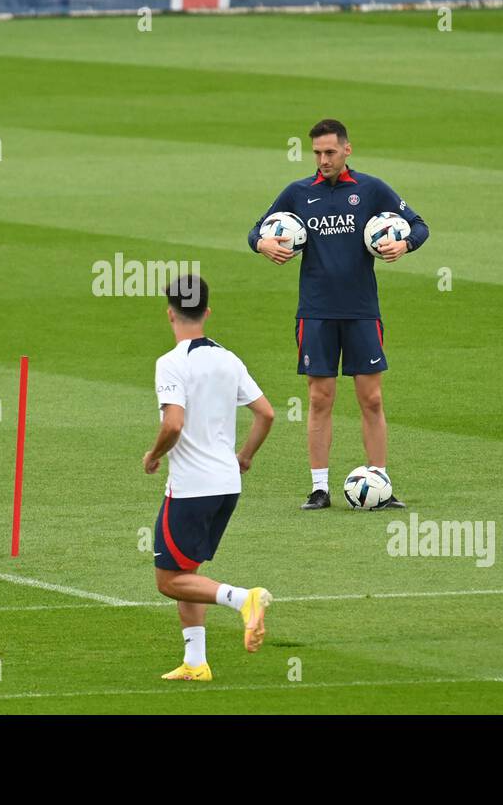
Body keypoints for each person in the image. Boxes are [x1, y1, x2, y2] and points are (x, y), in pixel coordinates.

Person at [248, 118, 428, 510]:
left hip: (362, 311)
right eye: (317, 153)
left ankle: (379, 483)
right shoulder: (297, 193)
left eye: (330, 152)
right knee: (320, 398)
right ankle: (319, 488)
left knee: (373, 399)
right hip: (315, 312)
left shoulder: (370, 189)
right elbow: (255, 231)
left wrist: (406, 245)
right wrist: (263, 243)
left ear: (347, 149)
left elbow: (419, 224)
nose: (323, 159)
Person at [143, 275, 276, 681]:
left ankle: (243, 600)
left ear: (169, 313)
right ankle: (195, 662)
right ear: (207, 311)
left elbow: (174, 424)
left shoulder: (171, 362)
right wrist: (245, 457)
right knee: (188, 572)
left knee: (168, 581)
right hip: (226, 484)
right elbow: (266, 413)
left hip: (191, 487)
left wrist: (153, 454)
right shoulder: (229, 359)